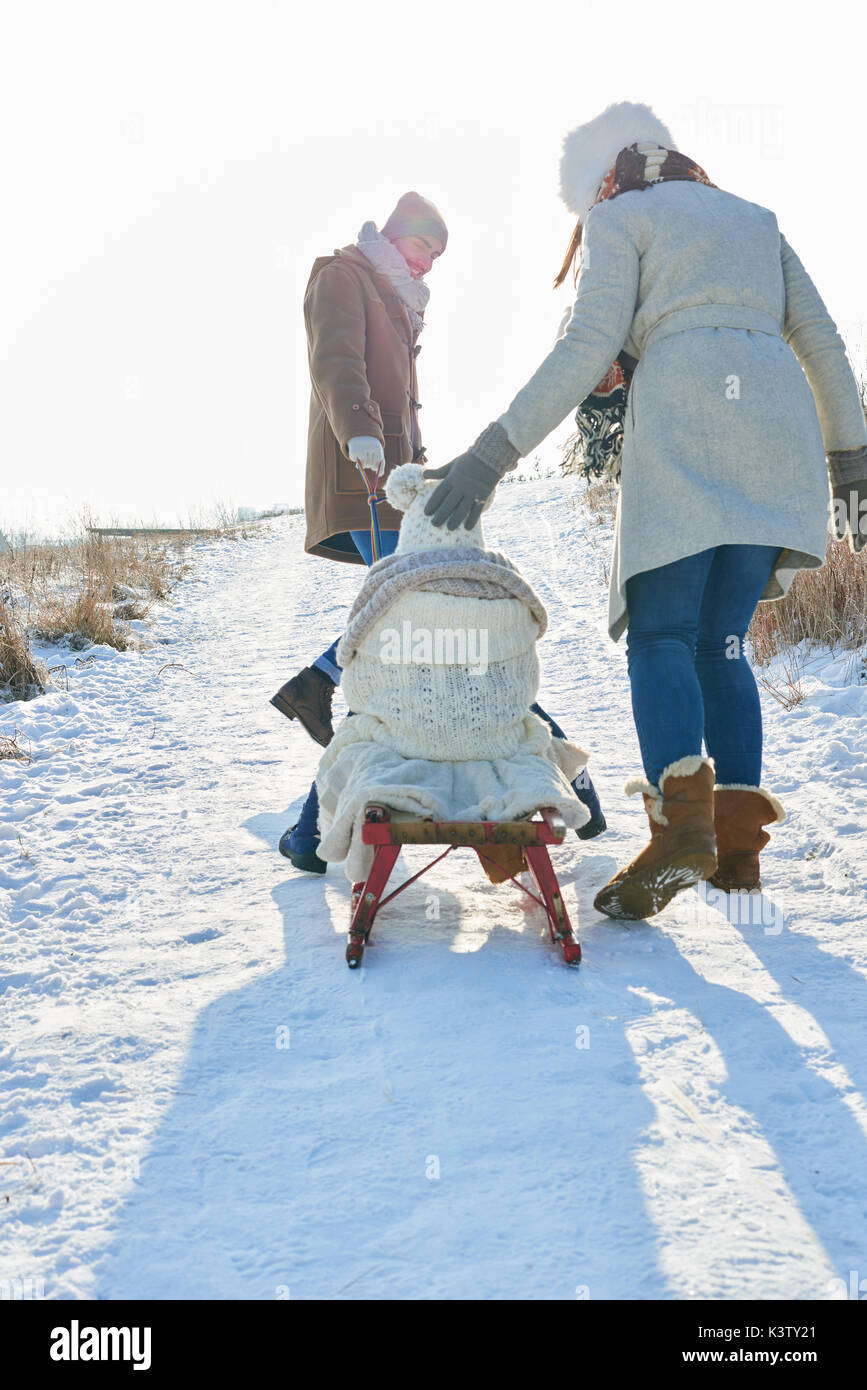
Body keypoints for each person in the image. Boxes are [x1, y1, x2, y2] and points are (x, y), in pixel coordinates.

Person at [422, 100, 867, 920]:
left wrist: (492, 454)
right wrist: (850, 461)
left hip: (687, 420)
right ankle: (735, 850)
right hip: (775, 432)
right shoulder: (753, 218)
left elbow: (585, 345)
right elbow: (823, 341)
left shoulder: (619, 217)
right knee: (722, 643)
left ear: (602, 176)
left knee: (660, 635)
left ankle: (678, 835)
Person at [277, 192, 606, 871]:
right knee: (443, 632)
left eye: (437, 254)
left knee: (425, 629)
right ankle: (574, 788)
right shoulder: (341, 276)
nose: (429, 261)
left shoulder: (395, 296)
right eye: (424, 246)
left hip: (397, 483)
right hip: (364, 474)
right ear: (396, 236)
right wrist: (362, 437)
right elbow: (335, 363)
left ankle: (317, 688)